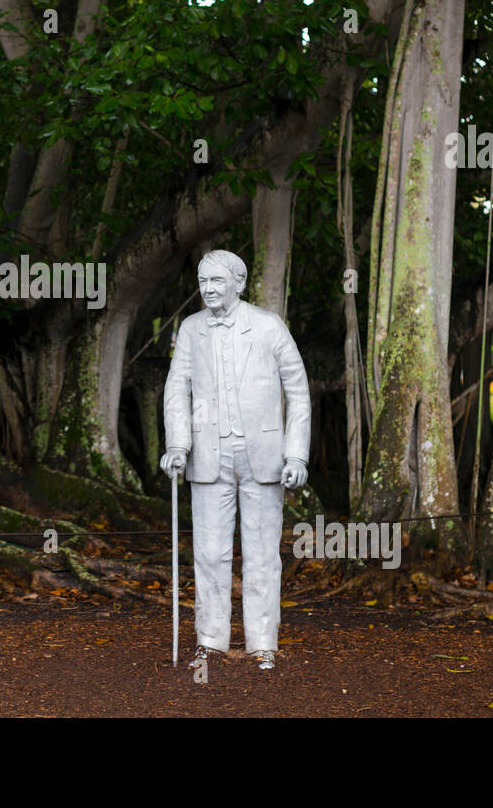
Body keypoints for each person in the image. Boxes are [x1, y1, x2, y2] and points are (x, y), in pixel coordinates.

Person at [160, 249, 310, 671]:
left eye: (216, 281)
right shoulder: (190, 330)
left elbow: (297, 391)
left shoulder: (267, 326)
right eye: (202, 281)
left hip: (263, 455)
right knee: (209, 552)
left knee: (262, 553)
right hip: (208, 456)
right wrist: (178, 446)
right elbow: (177, 391)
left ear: (239, 284)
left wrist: (296, 453)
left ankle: (263, 642)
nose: (207, 289)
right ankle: (211, 640)